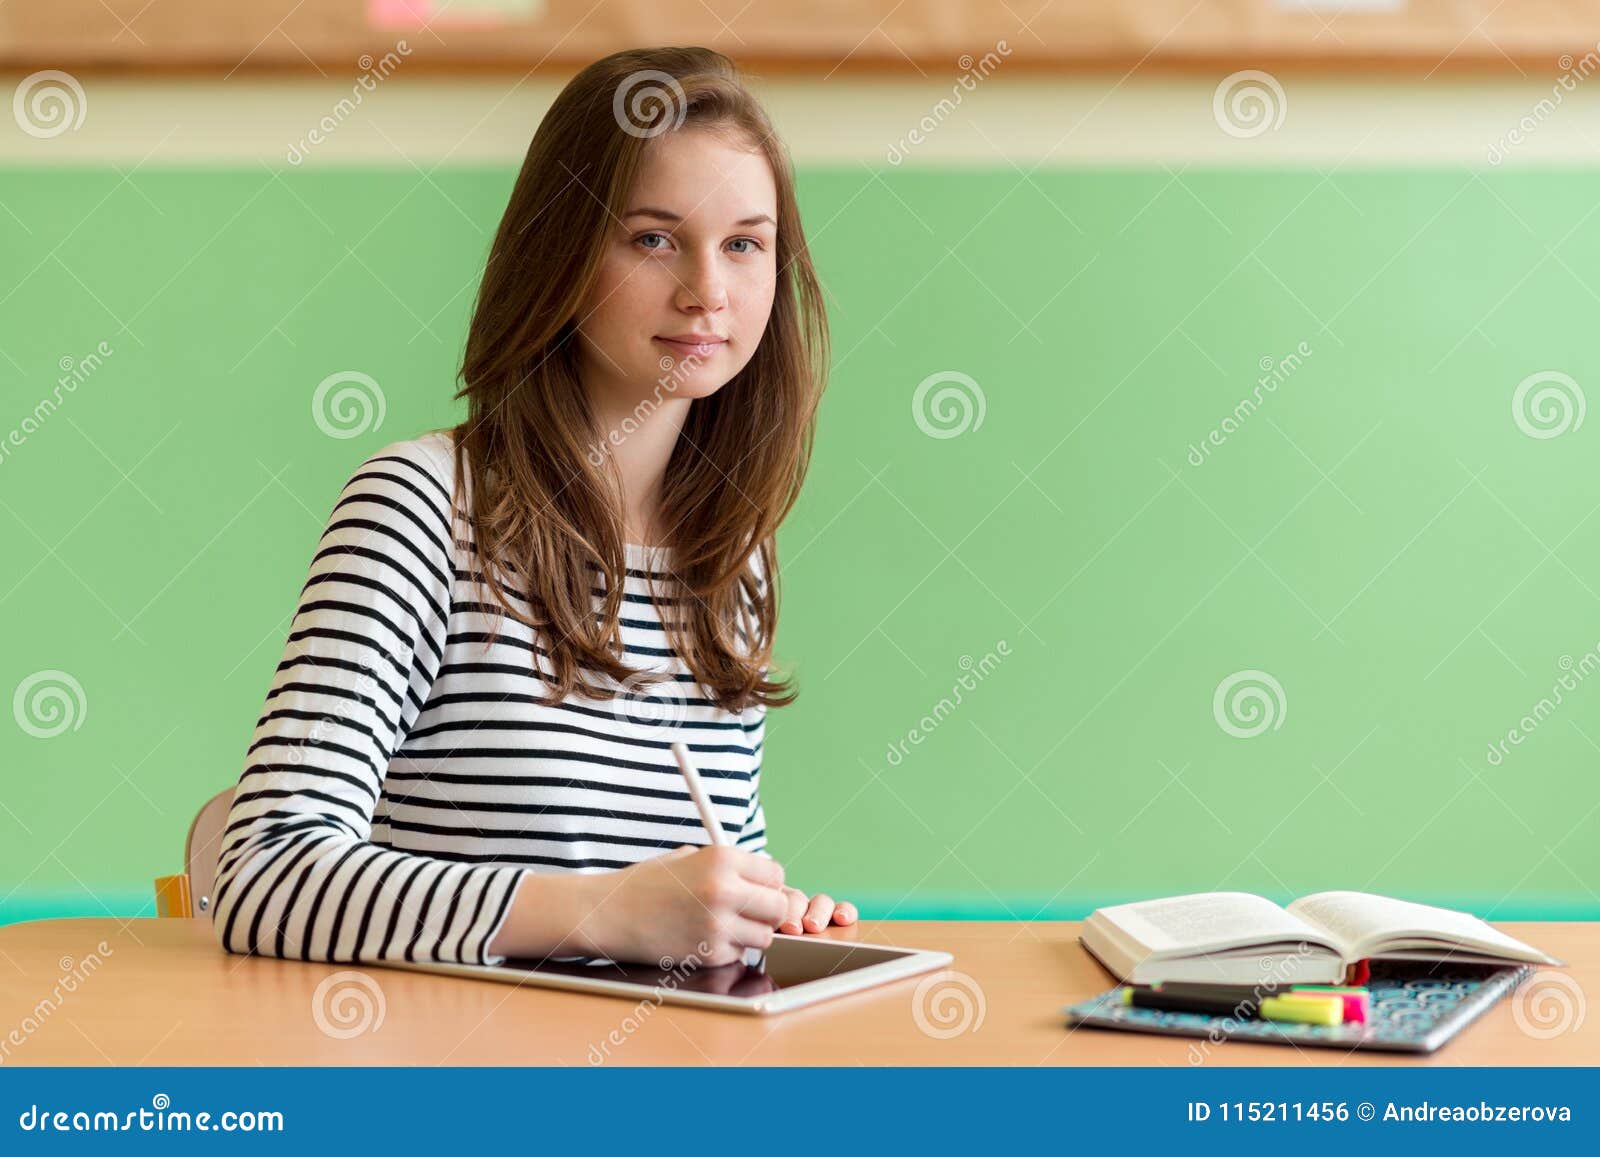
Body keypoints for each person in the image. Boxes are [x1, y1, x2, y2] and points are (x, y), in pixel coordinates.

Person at [209, 46, 855, 970]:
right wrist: (604, 910)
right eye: (653, 238)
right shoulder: (422, 505)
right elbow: (264, 876)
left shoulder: (728, 556)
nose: (708, 289)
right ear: (561, 252)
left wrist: (755, 913)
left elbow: (684, 899)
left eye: (745, 244)